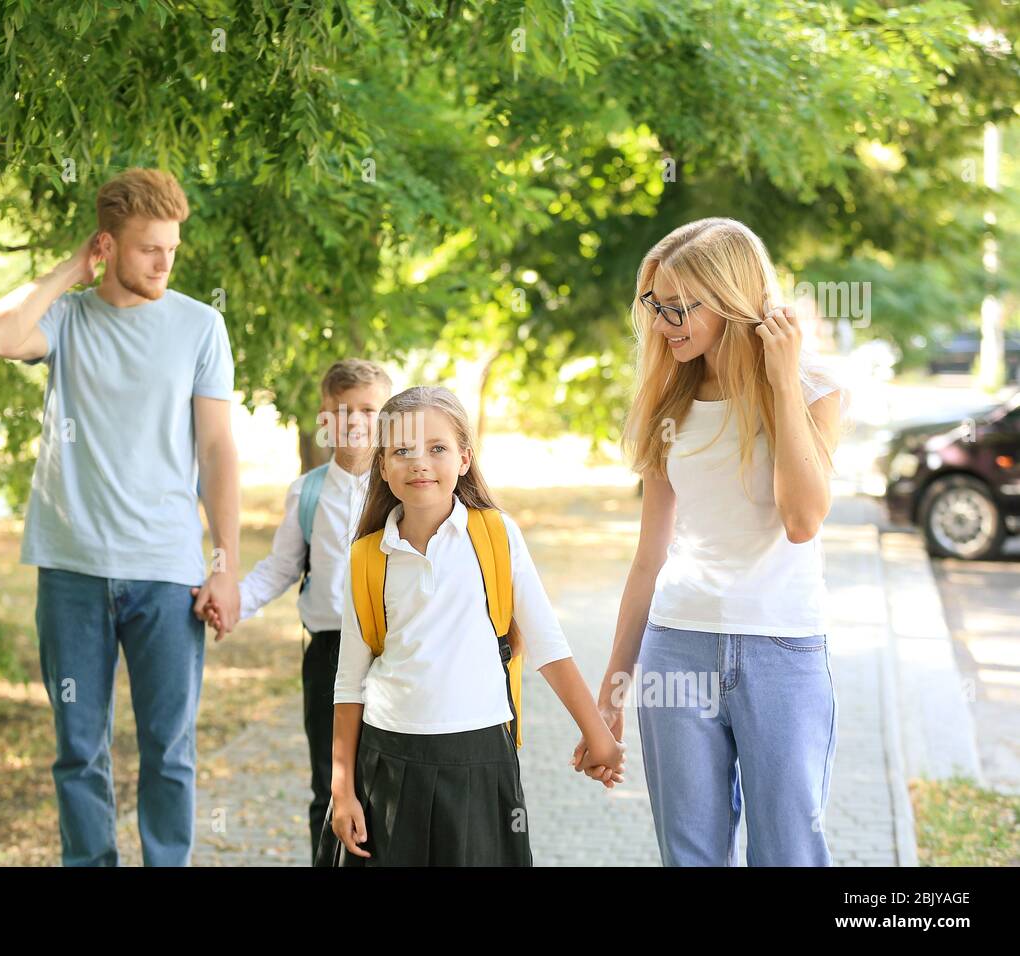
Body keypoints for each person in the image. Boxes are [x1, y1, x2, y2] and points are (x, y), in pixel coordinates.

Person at [0, 168, 242, 866]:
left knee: (169, 751)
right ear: (109, 245)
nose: (164, 261)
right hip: (72, 570)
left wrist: (226, 566)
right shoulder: (65, 319)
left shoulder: (199, 326)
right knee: (79, 751)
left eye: (172, 248)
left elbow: (216, 451)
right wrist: (72, 269)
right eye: (149, 247)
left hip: (166, 573)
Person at [597, 217, 849, 866]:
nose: (663, 324)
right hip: (677, 646)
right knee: (691, 856)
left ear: (734, 301)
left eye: (681, 308)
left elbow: (802, 519)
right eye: (656, 306)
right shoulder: (667, 404)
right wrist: (614, 689)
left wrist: (782, 380)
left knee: (788, 851)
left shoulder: (813, 389)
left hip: (782, 649)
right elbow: (650, 556)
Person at [315, 386, 625, 866]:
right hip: (387, 759)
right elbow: (349, 681)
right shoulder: (366, 557)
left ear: (464, 458)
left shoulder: (496, 535)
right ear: (382, 466)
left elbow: (548, 645)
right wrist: (342, 789)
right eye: (402, 450)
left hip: (480, 755)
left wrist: (597, 734)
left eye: (437, 448)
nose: (420, 462)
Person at [201, 358, 392, 861]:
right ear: (324, 419)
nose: (354, 422)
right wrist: (232, 602)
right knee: (332, 780)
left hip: (393, 655)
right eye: (341, 411)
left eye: (368, 410)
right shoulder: (307, 494)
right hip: (328, 656)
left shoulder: (401, 488)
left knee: (392, 779)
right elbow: (281, 568)